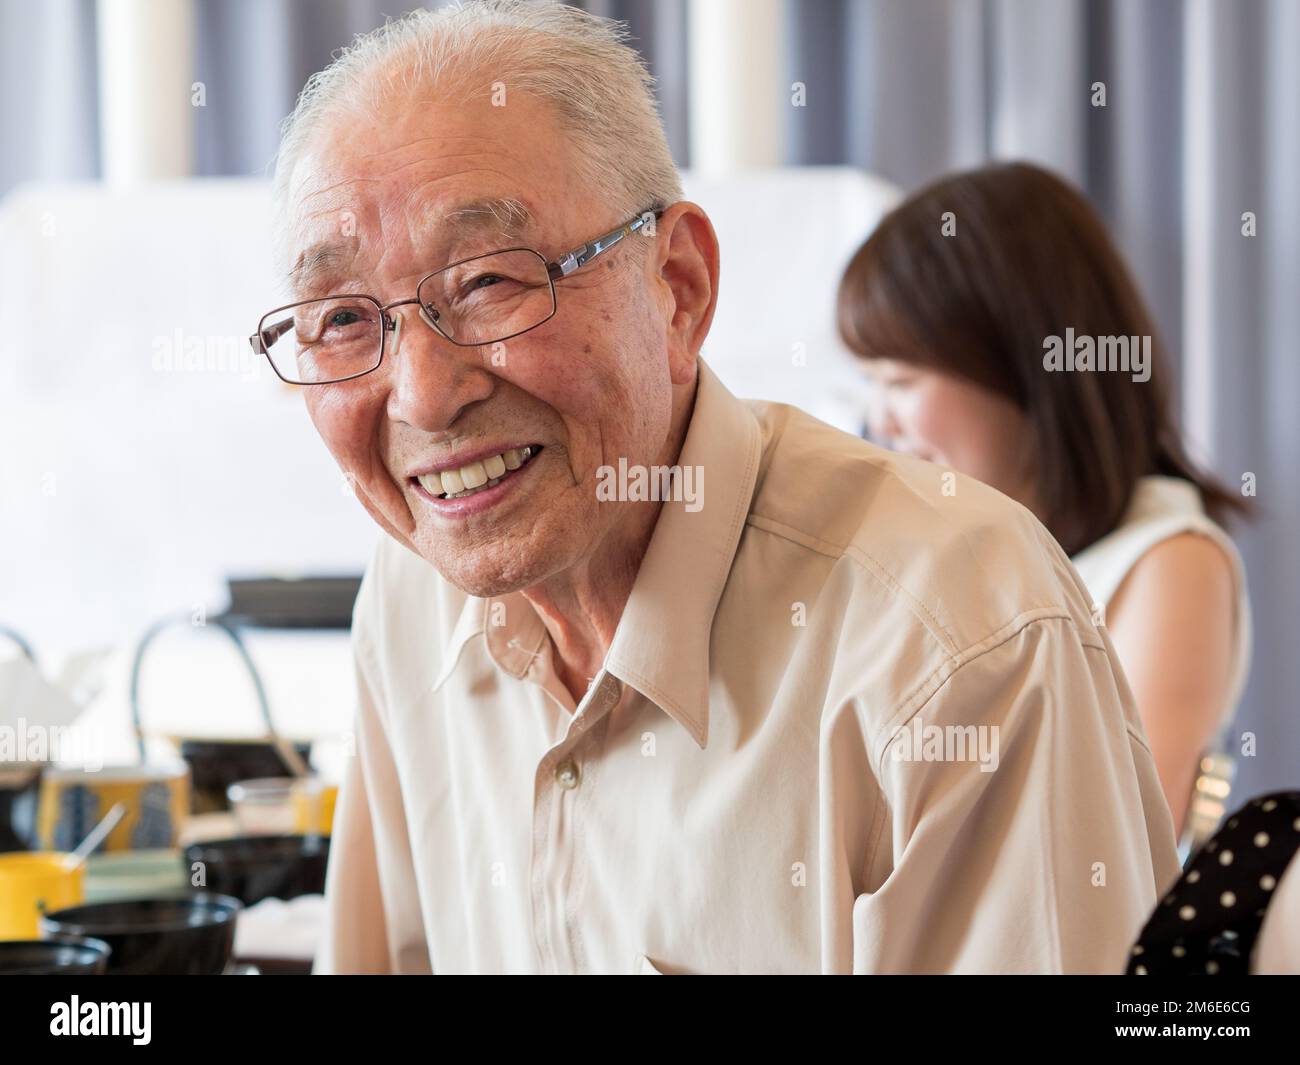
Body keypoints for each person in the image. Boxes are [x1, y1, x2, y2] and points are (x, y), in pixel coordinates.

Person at [256, 1, 1178, 974]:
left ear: (678, 286)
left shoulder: (956, 640)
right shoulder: (412, 601)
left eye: (489, 281)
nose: (425, 397)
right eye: (344, 319)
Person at [837, 162, 1251, 848]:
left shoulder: (1170, 560)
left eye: (902, 380)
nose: (879, 421)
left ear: (1022, 369)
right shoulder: (957, 541)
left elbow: (1111, 847)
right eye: (870, 383)